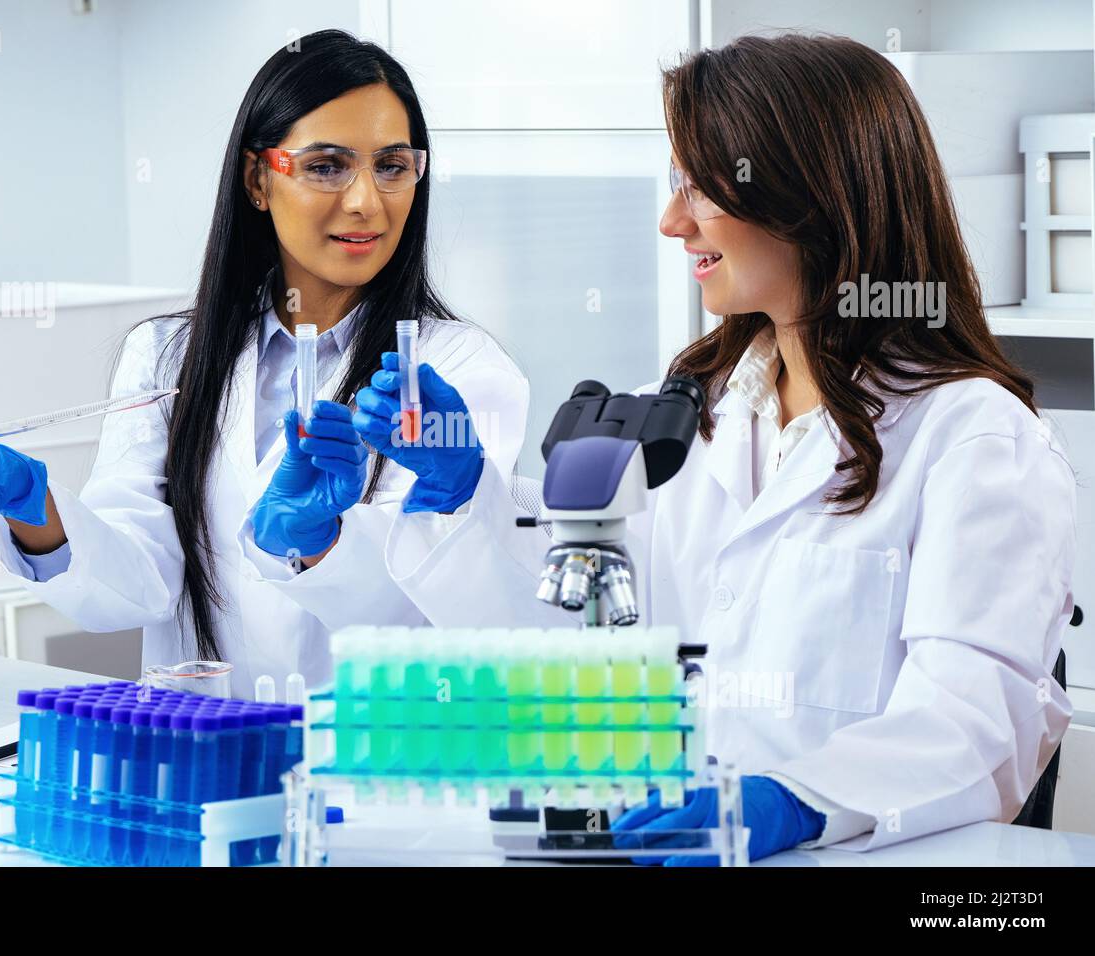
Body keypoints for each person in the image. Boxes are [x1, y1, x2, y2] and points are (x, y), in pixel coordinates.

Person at [364, 34, 1077, 860]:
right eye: (677, 184)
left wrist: (796, 801)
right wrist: (467, 495)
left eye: (700, 189)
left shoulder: (973, 437)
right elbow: (593, 642)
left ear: (809, 196)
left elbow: (975, 717)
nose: (672, 221)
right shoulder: (695, 408)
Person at [0, 30, 528, 692]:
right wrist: (33, 509)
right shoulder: (169, 356)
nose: (367, 201)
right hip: (201, 753)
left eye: (392, 166)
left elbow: (452, 610)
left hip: (367, 768)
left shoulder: (456, 372)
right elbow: (137, 586)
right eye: (326, 166)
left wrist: (317, 544)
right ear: (259, 179)